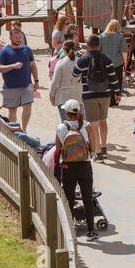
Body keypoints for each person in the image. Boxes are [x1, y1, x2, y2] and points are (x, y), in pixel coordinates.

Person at [55, 99, 99, 241]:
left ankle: (70, 229)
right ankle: (91, 231)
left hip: (68, 167)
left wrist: (58, 163)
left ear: (66, 113)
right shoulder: (87, 126)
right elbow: (94, 147)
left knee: (69, 198)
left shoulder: (61, 127)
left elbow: (58, 149)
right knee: (87, 197)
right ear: (78, 112)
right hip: (84, 166)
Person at [0, 79, 42, 151]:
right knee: (27, 138)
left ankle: (34, 141)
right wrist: (14, 129)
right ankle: (37, 144)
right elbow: (2, 126)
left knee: (17, 125)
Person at [75, 34, 114, 161]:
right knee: (103, 121)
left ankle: (97, 152)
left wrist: (80, 57)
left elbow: (75, 73)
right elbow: (113, 77)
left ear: (87, 45)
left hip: (89, 94)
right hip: (105, 94)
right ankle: (104, 146)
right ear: (99, 45)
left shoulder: (83, 59)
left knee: (94, 124)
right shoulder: (107, 59)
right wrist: (117, 92)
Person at [0, 27, 41, 130]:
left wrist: (36, 80)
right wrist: (12, 66)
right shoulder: (5, 51)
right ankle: (14, 131)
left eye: (20, 37)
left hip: (26, 85)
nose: (18, 39)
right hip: (10, 87)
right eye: (16, 37)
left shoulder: (27, 49)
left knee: (28, 106)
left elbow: (33, 65)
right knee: (12, 112)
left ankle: (24, 129)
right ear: (10, 37)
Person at [49, 40, 81, 118]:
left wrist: (51, 94)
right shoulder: (80, 62)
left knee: (66, 124)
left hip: (63, 97)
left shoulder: (61, 63)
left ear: (63, 50)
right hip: (77, 96)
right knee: (78, 124)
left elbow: (55, 81)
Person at [99, 19, 127, 103]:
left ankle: (106, 100)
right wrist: (125, 63)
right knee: (117, 81)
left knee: (106, 81)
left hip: (104, 63)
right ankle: (115, 100)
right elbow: (124, 52)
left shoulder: (101, 36)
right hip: (117, 63)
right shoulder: (120, 36)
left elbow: (99, 50)